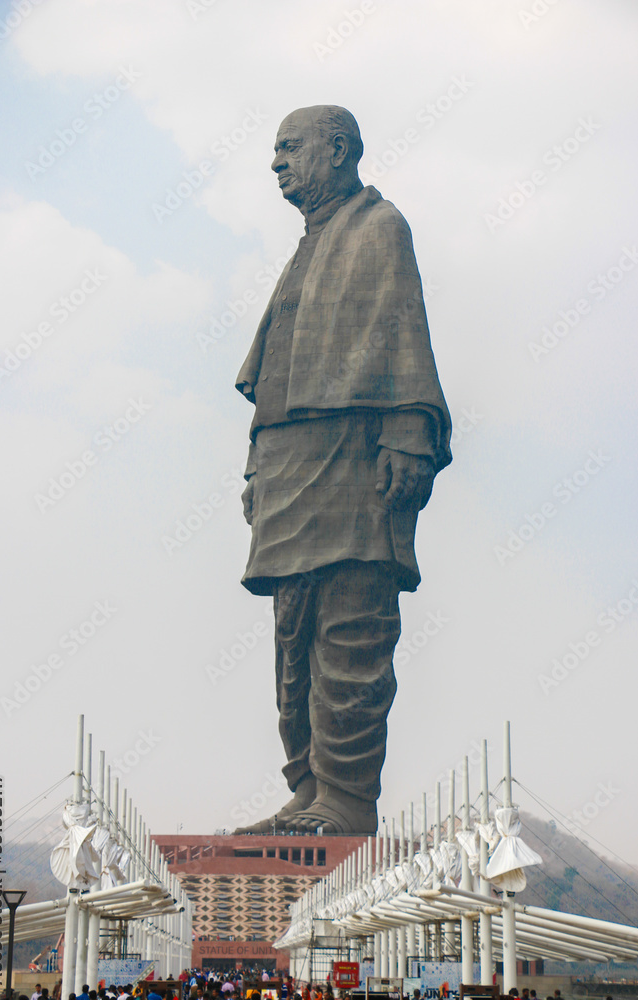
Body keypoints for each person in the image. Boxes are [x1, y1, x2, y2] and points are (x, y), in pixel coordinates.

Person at [235, 104, 451, 835]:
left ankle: (348, 800)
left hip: (355, 456)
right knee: (291, 634)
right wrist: (253, 471)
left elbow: (403, 329)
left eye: (288, 148)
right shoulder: (305, 248)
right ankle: (307, 788)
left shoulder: (377, 226)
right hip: (288, 462)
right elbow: (273, 372)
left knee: (351, 628)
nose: (276, 162)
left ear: (337, 150)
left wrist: (407, 432)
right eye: (273, 150)